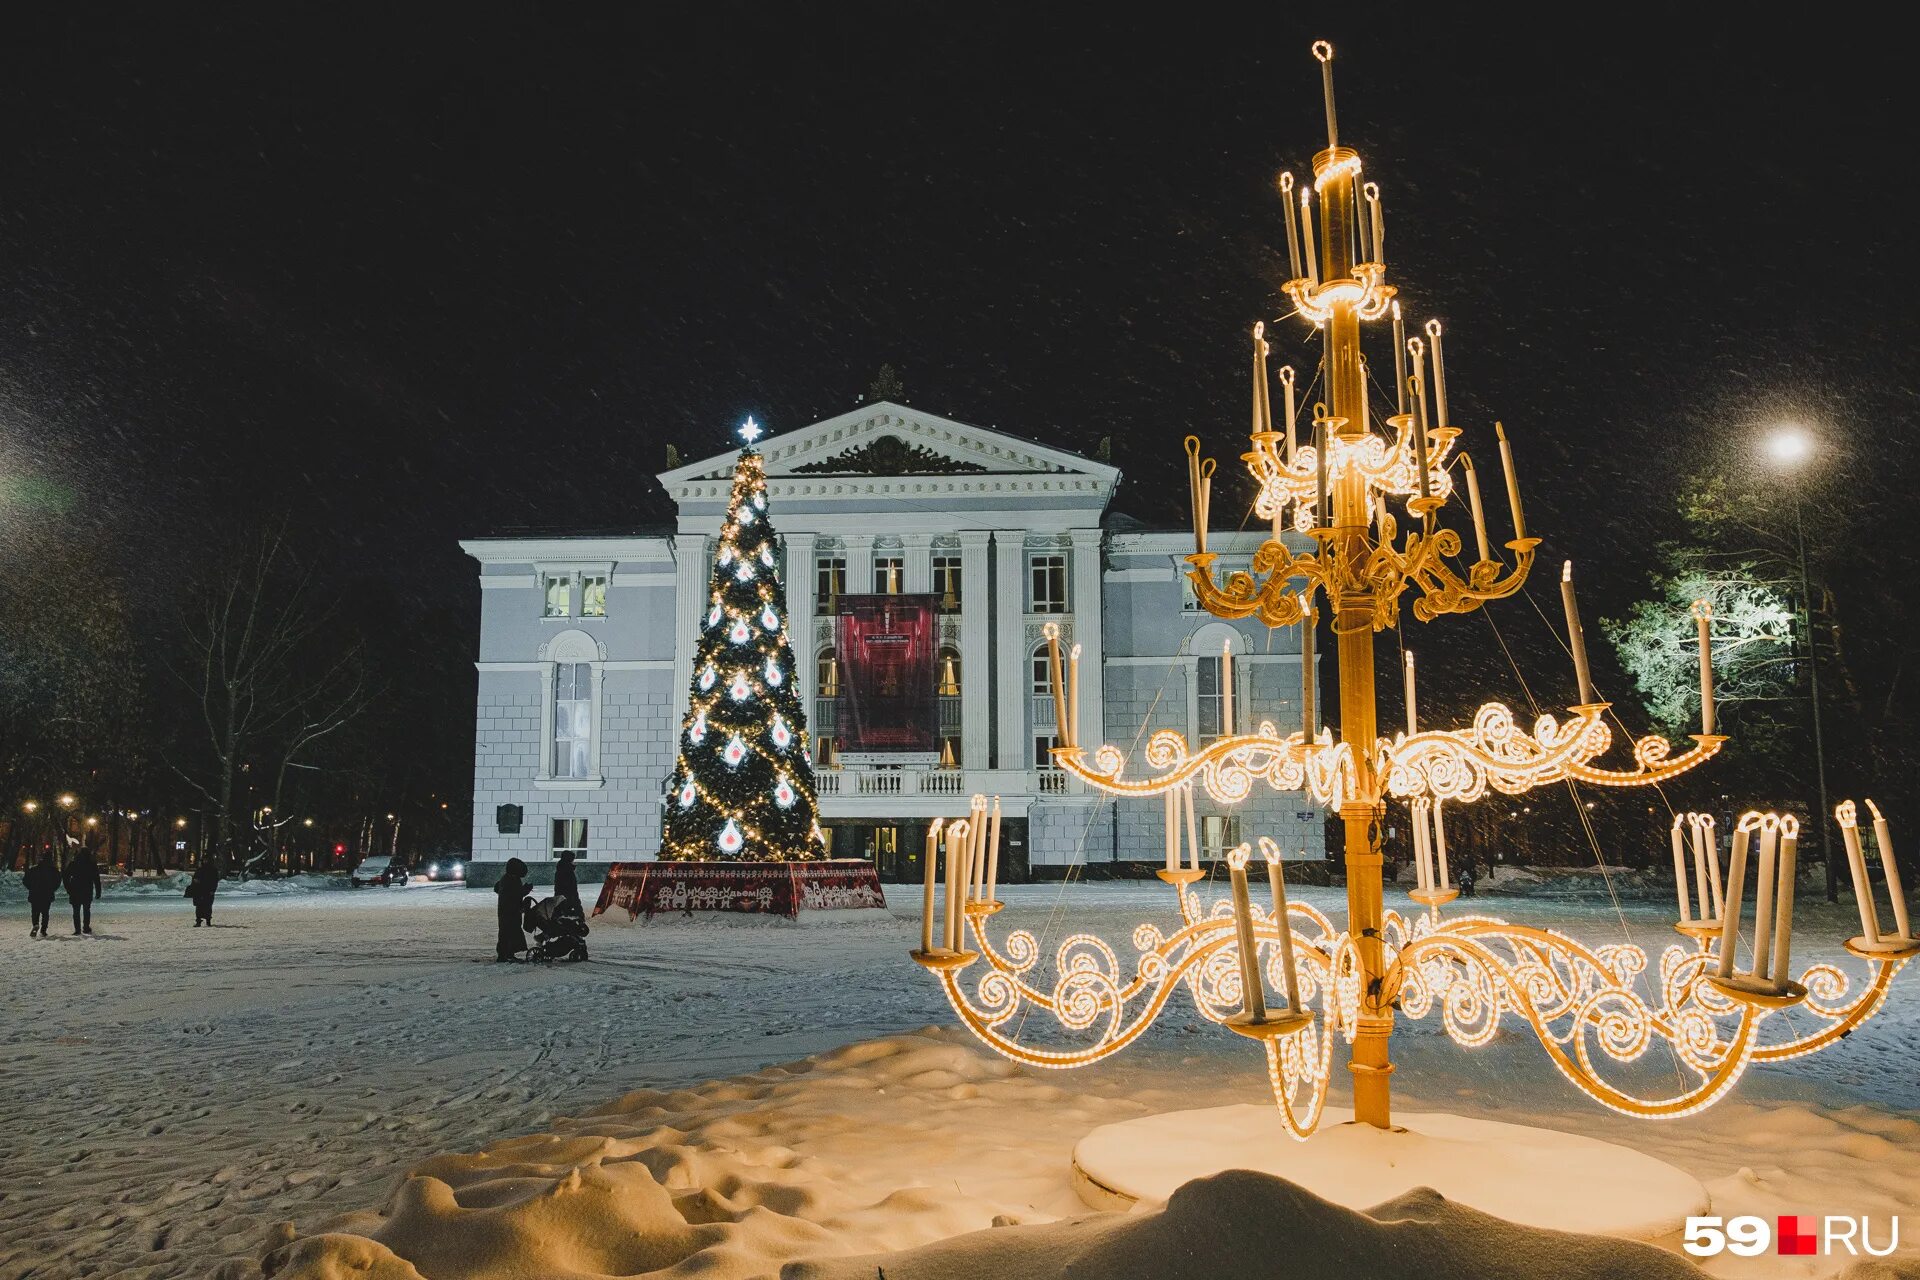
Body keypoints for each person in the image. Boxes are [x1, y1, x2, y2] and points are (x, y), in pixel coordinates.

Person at [495, 857, 530, 962]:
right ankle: (504, 955)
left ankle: (507, 953)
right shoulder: (511, 880)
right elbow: (515, 894)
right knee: (508, 932)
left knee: (508, 932)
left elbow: (498, 888)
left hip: (509, 911)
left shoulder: (508, 879)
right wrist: (525, 890)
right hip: (510, 911)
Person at [63, 846, 103, 935]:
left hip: (75, 889)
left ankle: (77, 929)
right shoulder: (92, 864)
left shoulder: (74, 864)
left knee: (76, 910)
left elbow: (66, 877)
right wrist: (98, 891)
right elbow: (96, 879)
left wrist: (68, 888)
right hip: (87, 889)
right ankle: (86, 927)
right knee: (86, 909)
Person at [25, 851, 60, 937]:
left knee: (35, 911)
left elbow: (25, 880)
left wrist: (31, 887)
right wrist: (52, 889)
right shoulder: (53, 870)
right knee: (45, 912)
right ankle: (43, 929)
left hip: (35, 893)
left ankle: (35, 924)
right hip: (47, 894)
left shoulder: (34, 869)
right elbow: (58, 881)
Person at [188, 858, 222, 926]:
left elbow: (215, 881)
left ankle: (207, 921)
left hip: (207, 890)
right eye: (204, 860)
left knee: (207, 906)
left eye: (206, 860)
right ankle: (199, 921)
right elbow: (195, 878)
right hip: (199, 890)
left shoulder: (212, 870)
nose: (205, 861)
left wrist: (212, 890)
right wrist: (195, 882)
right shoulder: (200, 869)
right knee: (199, 906)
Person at [554, 849, 580, 914]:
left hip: (561, 896)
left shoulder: (561, 868)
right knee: (565, 912)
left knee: (560, 911)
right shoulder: (567, 870)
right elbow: (571, 886)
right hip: (568, 896)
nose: (573, 860)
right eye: (572, 859)